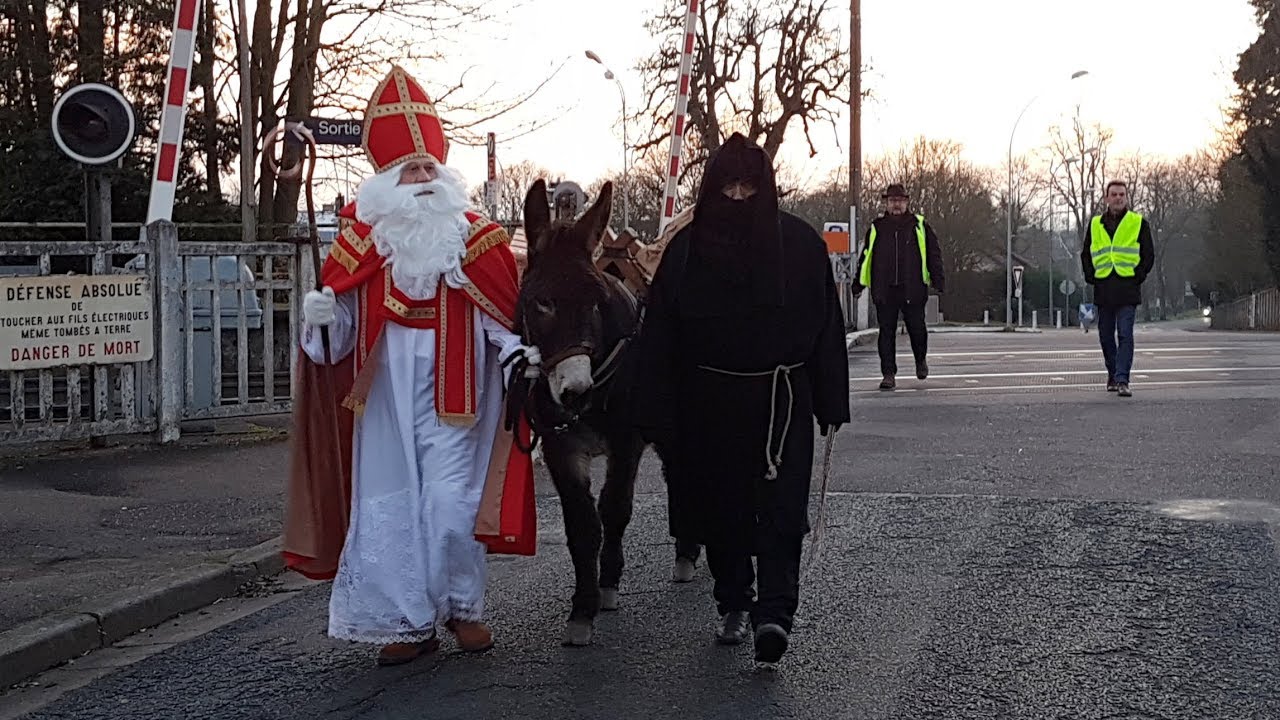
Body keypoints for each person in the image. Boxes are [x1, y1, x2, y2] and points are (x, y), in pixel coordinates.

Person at [284, 65, 538, 666]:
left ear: (444, 173)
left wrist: (520, 360)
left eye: (429, 169)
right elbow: (336, 345)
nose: (422, 180)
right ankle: (407, 620)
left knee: (451, 506)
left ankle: (463, 609)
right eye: (409, 171)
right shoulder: (358, 245)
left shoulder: (476, 241)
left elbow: (502, 324)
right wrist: (321, 316)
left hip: (460, 403)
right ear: (386, 181)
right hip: (386, 405)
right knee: (392, 506)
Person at [632, 133, 851, 664]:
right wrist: (656, 410)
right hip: (710, 404)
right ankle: (734, 598)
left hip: (783, 401)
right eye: (726, 187)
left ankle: (775, 613)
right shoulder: (685, 253)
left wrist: (831, 400)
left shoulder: (800, 246)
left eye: (747, 187)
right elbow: (659, 332)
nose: (736, 199)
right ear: (711, 190)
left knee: (781, 509)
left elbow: (827, 327)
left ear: (766, 188)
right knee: (723, 510)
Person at [852, 183, 945, 390]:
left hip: (913, 288)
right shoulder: (877, 227)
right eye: (893, 201)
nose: (896, 205)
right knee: (886, 333)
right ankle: (888, 374)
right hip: (885, 290)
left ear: (907, 203)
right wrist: (858, 284)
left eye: (900, 201)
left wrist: (938, 280)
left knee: (917, 329)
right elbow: (866, 258)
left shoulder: (919, 225)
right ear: (886, 203)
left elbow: (933, 254)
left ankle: (920, 361)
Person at [1080, 180, 1154, 397]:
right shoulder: (1095, 224)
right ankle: (1113, 374)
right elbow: (1086, 254)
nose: (1118, 198)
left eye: (1122, 194)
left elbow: (1148, 255)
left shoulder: (1139, 223)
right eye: (1114, 194)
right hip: (1103, 289)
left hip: (1127, 289)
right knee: (1105, 337)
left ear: (1126, 197)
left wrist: (1137, 276)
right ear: (1106, 198)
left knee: (1125, 334)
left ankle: (1123, 379)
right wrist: (1091, 277)